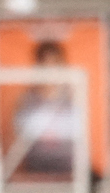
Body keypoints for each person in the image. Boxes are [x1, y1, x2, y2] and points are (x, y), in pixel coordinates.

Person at [9, 40, 78, 177]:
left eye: (55, 64)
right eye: (45, 64)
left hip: (68, 171)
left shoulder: (74, 101)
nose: (50, 71)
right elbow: (17, 145)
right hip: (35, 171)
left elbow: (78, 143)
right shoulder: (25, 102)